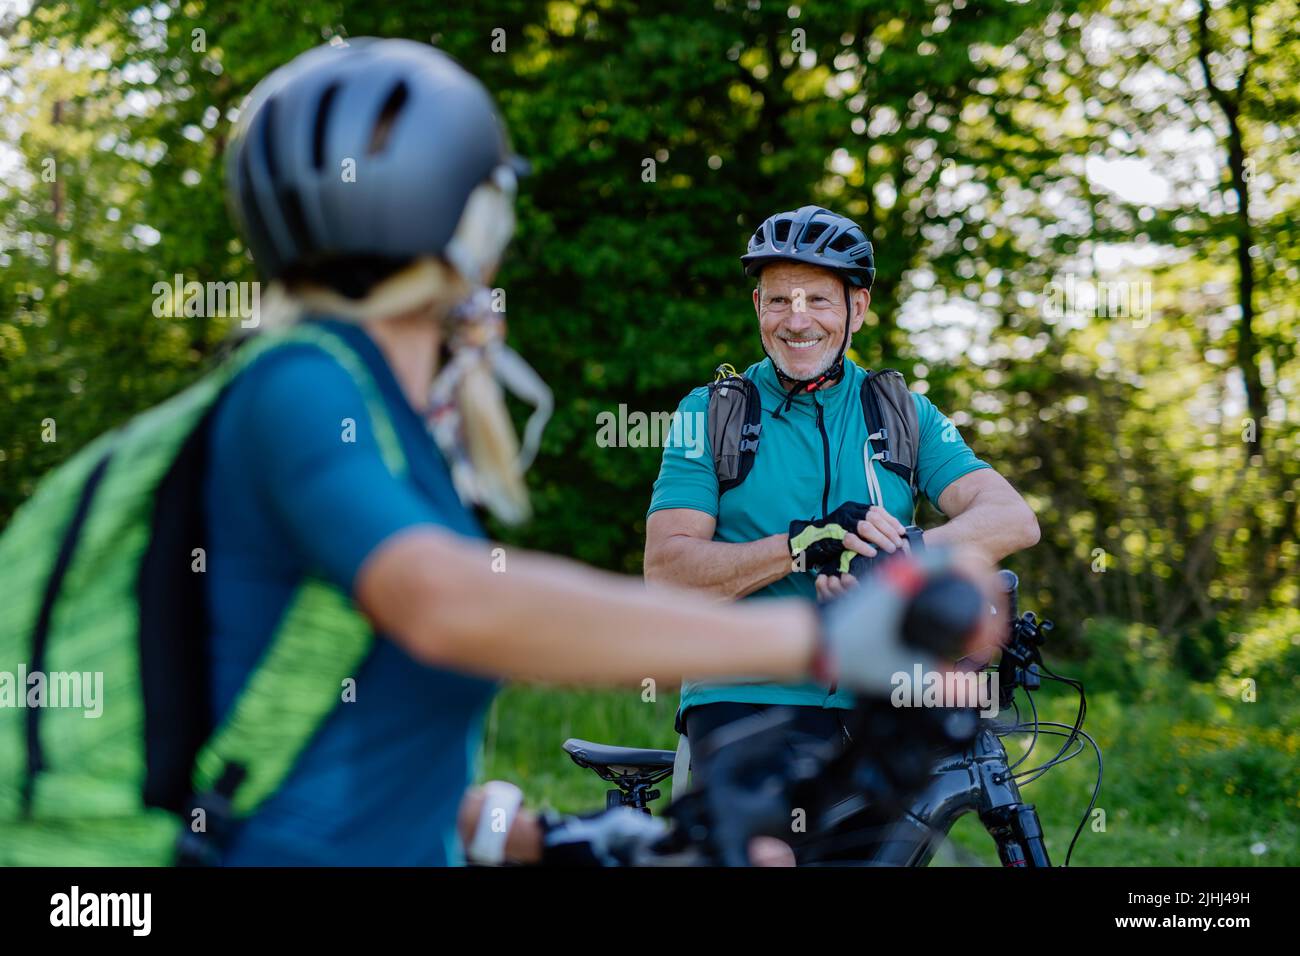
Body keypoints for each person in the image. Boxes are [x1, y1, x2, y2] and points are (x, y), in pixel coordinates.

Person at [200, 39, 1001, 865]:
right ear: (465, 242)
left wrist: (536, 836)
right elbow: (451, 607)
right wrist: (825, 635)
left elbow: (302, 735)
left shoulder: (380, 421)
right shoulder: (302, 385)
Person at [643, 204, 1040, 784]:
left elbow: (1011, 518)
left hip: (880, 695)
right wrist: (804, 543)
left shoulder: (900, 411)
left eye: (818, 300)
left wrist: (903, 558)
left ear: (857, 309)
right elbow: (668, 570)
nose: (796, 320)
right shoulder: (709, 414)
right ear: (758, 307)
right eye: (778, 300)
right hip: (742, 689)